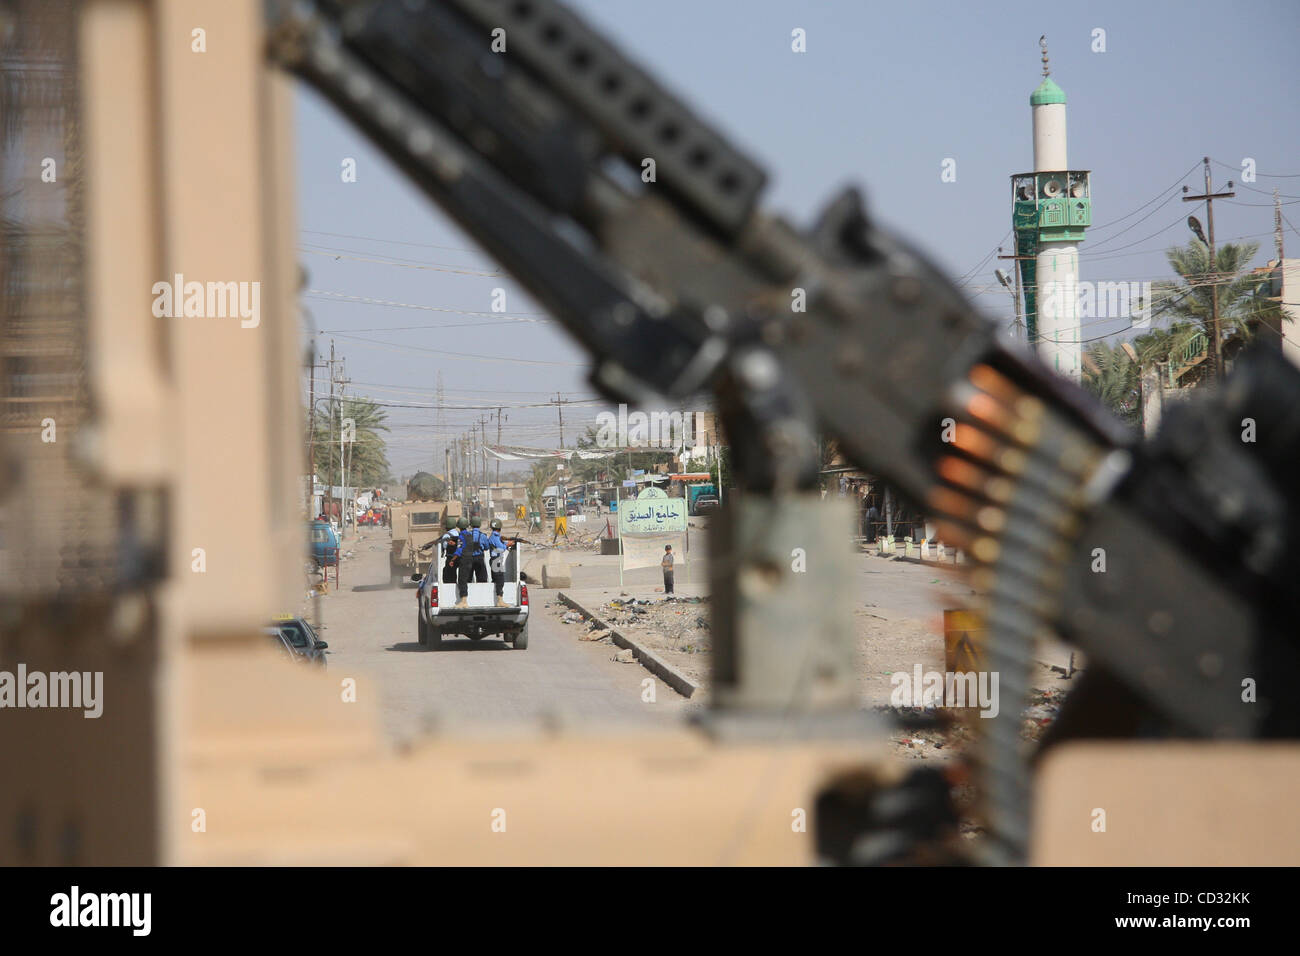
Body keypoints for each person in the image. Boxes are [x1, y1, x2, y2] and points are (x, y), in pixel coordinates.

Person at [485, 518, 511, 607]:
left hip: (495, 560)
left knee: (496, 579)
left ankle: (498, 600)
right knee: (500, 580)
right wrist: (508, 544)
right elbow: (501, 549)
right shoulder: (495, 537)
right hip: (496, 560)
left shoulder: (494, 537)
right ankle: (500, 601)